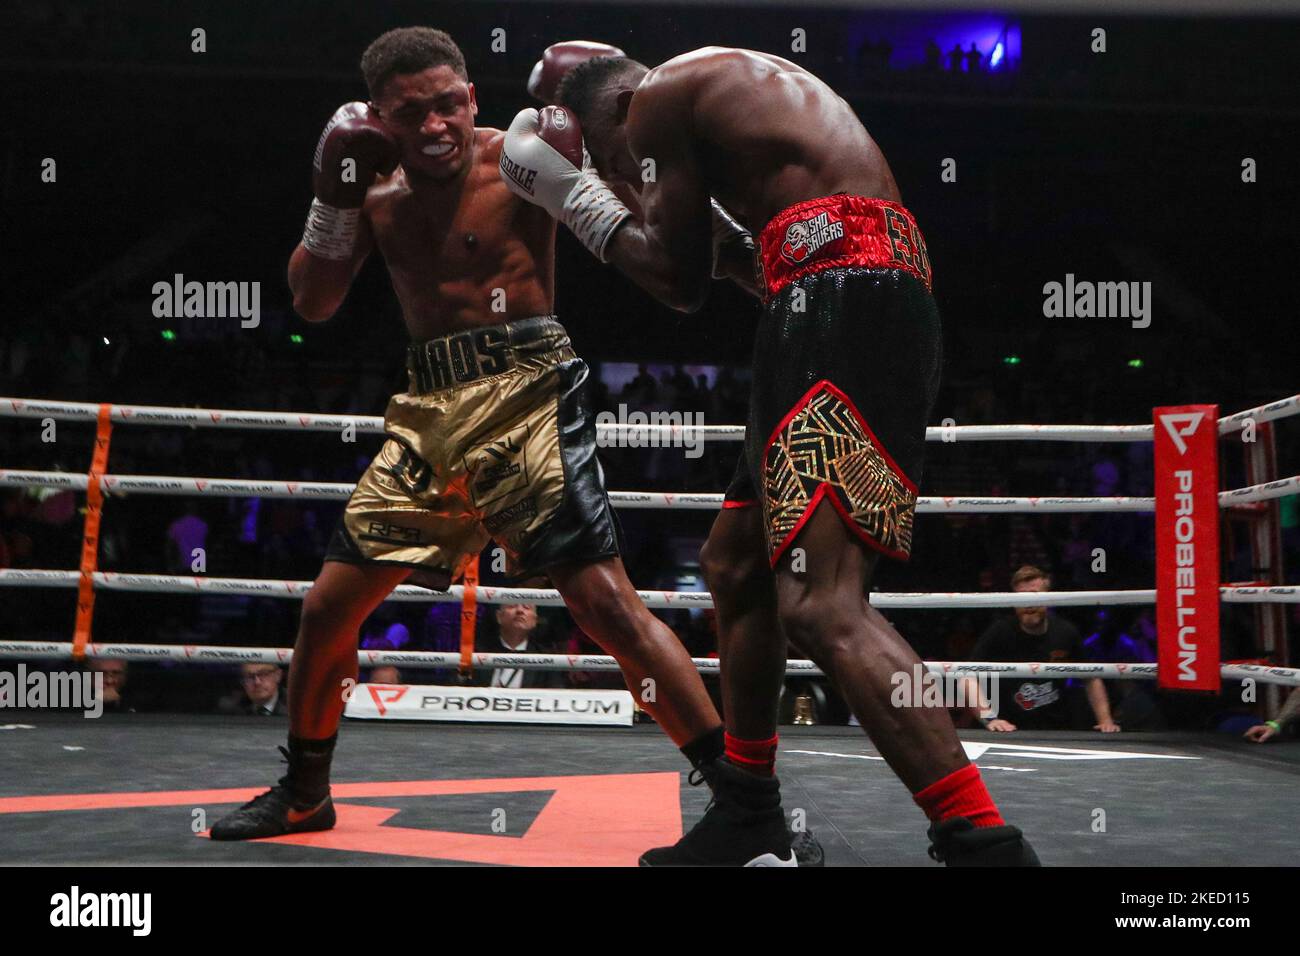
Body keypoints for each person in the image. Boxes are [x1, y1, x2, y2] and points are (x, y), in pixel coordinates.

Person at [501, 47, 1038, 864]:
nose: (627, 183)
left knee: (823, 606)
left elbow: (676, 283)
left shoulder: (654, 103)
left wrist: (576, 197)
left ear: (604, 121)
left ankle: (984, 844)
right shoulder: (729, 103)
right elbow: (743, 262)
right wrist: (615, 199)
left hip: (840, 305)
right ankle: (749, 809)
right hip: (836, 300)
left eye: (618, 168)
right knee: (737, 567)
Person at [208, 28, 735, 849]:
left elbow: (647, 240)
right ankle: (307, 792)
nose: (435, 127)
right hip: (430, 405)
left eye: (448, 104)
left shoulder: (521, 161)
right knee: (325, 610)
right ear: (378, 117)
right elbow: (312, 303)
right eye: (410, 112)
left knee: (605, 606)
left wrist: (598, 168)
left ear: (473, 98)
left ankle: (741, 799)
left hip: (528, 388)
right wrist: (331, 193)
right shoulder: (371, 185)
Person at [967, 566, 1119, 733]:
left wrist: (1105, 721)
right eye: (1021, 598)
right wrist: (989, 718)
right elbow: (967, 676)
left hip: (1056, 728)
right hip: (1008, 729)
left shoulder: (1065, 631)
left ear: (1048, 598)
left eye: (1034, 596)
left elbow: (1091, 677)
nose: (1028, 604)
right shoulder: (1000, 632)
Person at [473, 602, 564, 689]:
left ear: (534, 621)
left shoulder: (546, 658)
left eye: (526, 607)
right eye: (512, 606)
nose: (520, 610)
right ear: (499, 616)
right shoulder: (477, 651)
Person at [219, 663, 288, 716]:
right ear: (242, 681)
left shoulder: (295, 706)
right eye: (249, 676)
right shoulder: (231, 710)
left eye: (263, 674)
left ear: (278, 675)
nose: (257, 682)